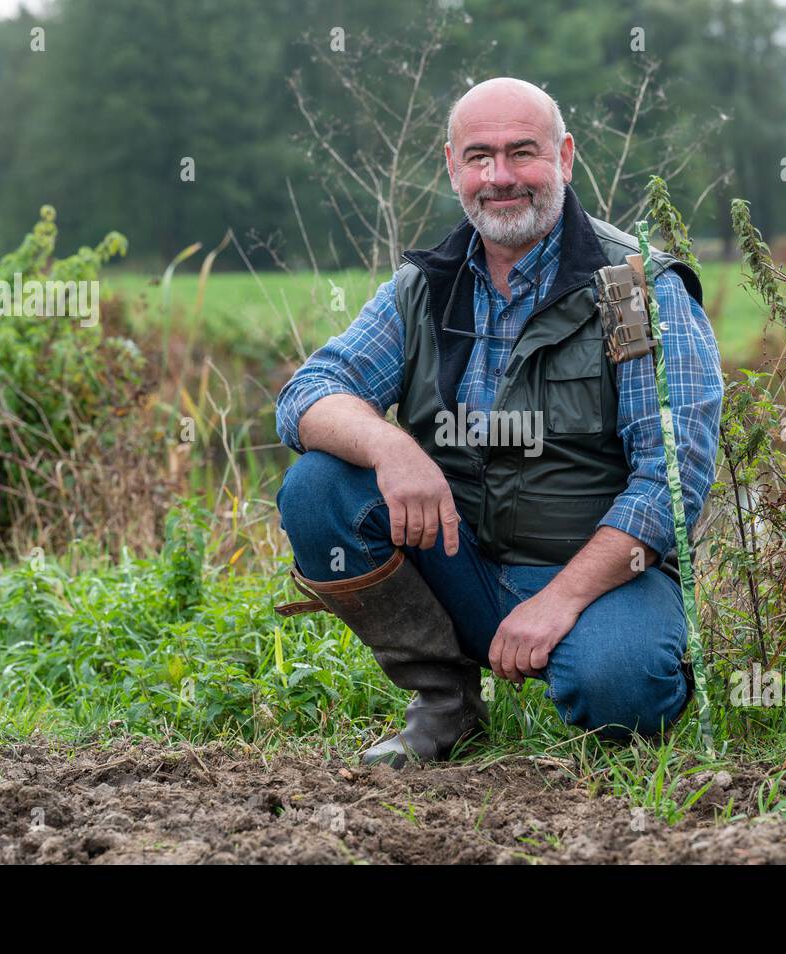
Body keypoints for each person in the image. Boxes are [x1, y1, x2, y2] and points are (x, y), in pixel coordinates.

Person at [274, 76, 723, 767]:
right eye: (480, 156)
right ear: (451, 165)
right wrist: (390, 446)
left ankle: (607, 676)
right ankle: (446, 705)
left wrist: (561, 600)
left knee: (619, 690)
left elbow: (674, 476)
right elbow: (309, 393)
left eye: (523, 153)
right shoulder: (426, 286)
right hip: (463, 568)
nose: (501, 177)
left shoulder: (634, 291)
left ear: (566, 158)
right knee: (318, 487)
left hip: (597, 575)